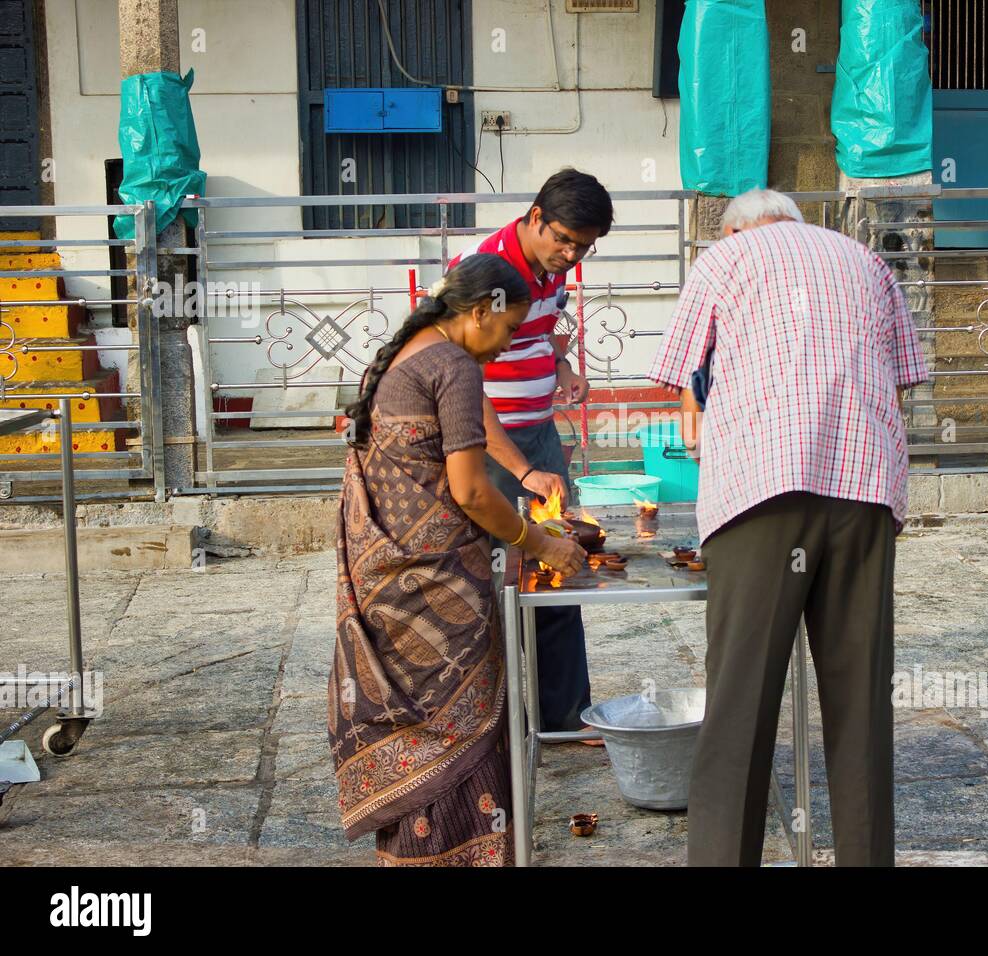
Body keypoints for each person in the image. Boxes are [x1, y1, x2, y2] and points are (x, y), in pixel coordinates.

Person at [648, 189, 930, 867]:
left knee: (741, 702)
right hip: (862, 489)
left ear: (737, 226)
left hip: (760, 493)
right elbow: (903, 383)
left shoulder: (726, 256)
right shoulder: (866, 260)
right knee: (860, 703)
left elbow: (675, 377)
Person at [327, 254, 586, 866]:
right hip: (433, 577)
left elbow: (467, 438)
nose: (505, 349)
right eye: (506, 330)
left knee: (419, 723)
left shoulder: (408, 350)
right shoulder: (455, 367)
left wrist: (523, 472)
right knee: (455, 717)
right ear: (479, 313)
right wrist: (541, 542)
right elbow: (470, 491)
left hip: (384, 572)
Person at [447, 168, 614, 738]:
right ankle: (490, 722)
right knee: (496, 581)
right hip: (489, 448)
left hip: (539, 434)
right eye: (563, 239)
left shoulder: (552, 271)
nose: (570, 254)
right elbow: (463, 384)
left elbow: (546, 332)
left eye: (583, 247)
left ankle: (564, 716)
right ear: (535, 216)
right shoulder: (484, 272)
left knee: (559, 564)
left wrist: (562, 368)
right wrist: (522, 470)